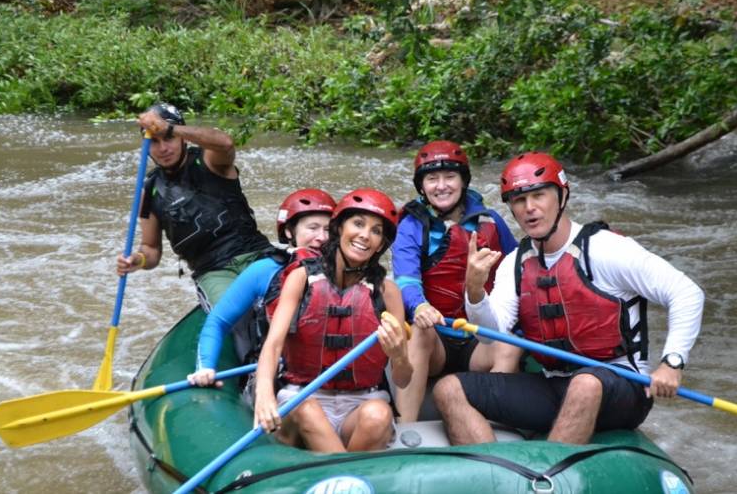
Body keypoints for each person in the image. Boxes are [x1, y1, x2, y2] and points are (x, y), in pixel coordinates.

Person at [433, 152, 704, 445]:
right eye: (519, 201)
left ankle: (551, 485)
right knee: (448, 388)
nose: (530, 208)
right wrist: (475, 290)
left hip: (623, 386)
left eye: (539, 196)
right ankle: (496, 476)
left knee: (585, 384)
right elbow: (490, 335)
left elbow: (686, 292)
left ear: (562, 196)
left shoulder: (606, 249)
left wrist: (672, 362)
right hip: (552, 384)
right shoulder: (515, 263)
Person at [254, 188, 413, 453]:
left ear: (381, 243)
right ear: (339, 228)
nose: (365, 235)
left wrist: (399, 356)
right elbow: (273, 345)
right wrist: (263, 393)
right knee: (305, 407)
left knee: (379, 415)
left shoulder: (388, 293)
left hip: (361, 402)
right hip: (303, 395)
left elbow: (403, 379)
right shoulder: (302, 277)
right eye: (358, 224)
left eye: (376, 231)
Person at [391, 140, 518, 422]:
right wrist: (420, 307)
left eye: (450, 177)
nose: (441, 185)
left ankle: (498, 425)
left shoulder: (491, 221)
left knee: (510, 343)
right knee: (419, 331)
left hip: (479, 340)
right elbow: (404, 281)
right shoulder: (412, 226)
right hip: (438, 339)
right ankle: (405, 427)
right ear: (421, 186)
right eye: (432, 178)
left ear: (463, 181)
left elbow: (519, 269)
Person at [116, 103, 271, 310]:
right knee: (234, 313)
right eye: (154, 141)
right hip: (213, 271)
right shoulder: (149, 191)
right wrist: (138, 259)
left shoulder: (209, 160)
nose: (163, 148)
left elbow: (226, 143)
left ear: (182, 137)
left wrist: (169, 127)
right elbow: (151, 249)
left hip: (255, 254)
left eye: (169, 138)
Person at [188, 188, 336, 387]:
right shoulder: (266, 269)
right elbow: (218, 321)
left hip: (334, 371)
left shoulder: (349, 271)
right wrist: (205, 367)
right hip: (278, 374)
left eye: (328, 230)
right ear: (289, 231)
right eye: (313, 228)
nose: (322, 237)